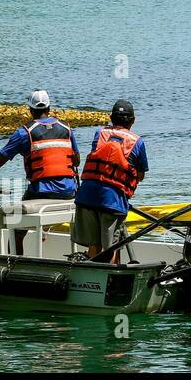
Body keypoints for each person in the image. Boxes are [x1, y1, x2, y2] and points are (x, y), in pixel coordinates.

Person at [0, 90, 79, 254]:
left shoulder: (24, 133)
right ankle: (42, 236)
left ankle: (15, 266)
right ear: (49, 108)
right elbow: (76, 161)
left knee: (15, 228)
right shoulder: (67, 129)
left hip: (42, 193)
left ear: (30, 110)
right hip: (69, 193)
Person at [73, 100, 148, 262]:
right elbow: (140, 175)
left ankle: (91, 280)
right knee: (111, 249)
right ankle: (111, 283)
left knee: (94, 245)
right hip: (112, 202)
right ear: (133, 120)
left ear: (110, 118)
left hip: (86, 197)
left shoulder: (99, 134)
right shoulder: (137, 142)